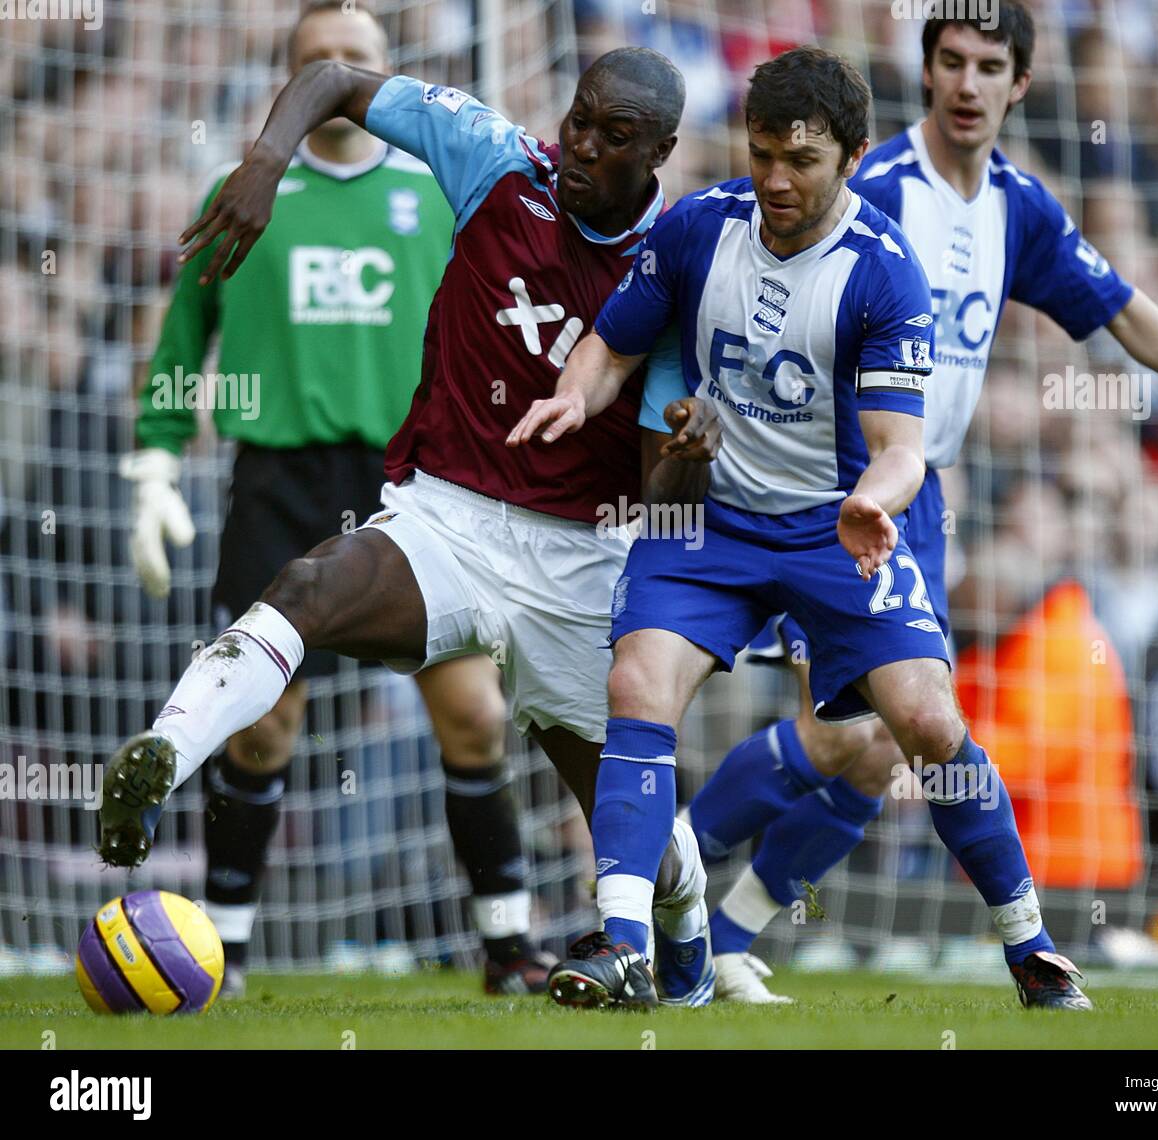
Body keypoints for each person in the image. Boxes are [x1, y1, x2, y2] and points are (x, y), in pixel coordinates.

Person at [681, 4, 1158, 1005]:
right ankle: (652, 894)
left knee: (874, 755)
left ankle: (716, 932)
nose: (966, 83)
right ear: (925, 76)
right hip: (828, 490)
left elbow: (1124, 309)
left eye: (988, 66)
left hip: (919, 496)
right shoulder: (869, 187)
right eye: (949, 62)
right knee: (860, 739)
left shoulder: (1016, 204)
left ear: (1018, 85)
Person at [97, 43, 723, 1006]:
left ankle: (679, 923)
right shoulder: (496, 159)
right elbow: (338, 76)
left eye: (614, 136)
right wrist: (264, 163)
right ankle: (162, 759)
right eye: (580, 119)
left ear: (663, 151)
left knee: (629, 817)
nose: (583, 145)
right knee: (307, 588)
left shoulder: (675, 267)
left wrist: (689, 447)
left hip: (582, 561)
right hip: (451, 521)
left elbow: (661, 497)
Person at [510, 45, 995, 1012]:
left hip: (860, 515)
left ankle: (718, 930)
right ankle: (651, 935)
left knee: (888, 737)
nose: (775, 175)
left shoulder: (957, 230)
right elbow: (616, 342)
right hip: (716, 517)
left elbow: (1112, 318)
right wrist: (577, 398)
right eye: (761, 151)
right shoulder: (722, 220)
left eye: (800, 159)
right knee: (653, 691)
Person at [123, 0, 557, 999]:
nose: (336, 69)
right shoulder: (241, 194)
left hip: (416, 483)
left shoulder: (439, 193)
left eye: (354, 56)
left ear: (386, 73)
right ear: (288, 78)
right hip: (278, 481)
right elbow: (184, 343)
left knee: (473, 715)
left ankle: (506, 944)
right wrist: (152, 460)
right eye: (316, 57)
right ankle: (220, 950)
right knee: (262, 725)